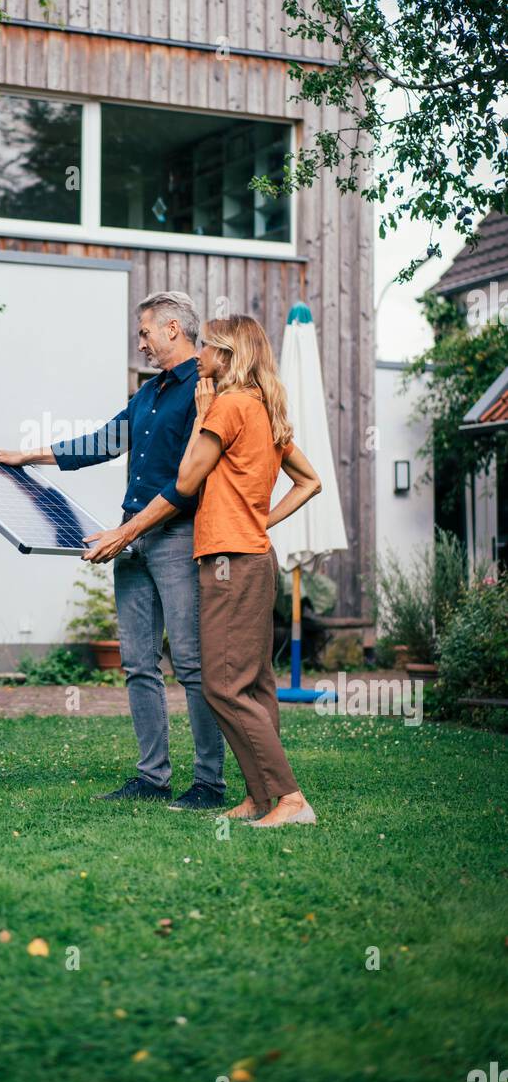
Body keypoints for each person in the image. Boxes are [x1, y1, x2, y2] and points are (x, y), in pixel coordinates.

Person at [0, 291, 226, 810]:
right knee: (138, 663)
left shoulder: (205, 393)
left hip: (176, 536)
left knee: (190, 663)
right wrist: (28, 456)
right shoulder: (148, 394)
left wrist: (128, 533)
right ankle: (152, 776)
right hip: (131, 538)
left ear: (172, 329)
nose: (139, 342)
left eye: (144, 332)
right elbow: (104, 441)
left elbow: (190, 484)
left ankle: (210, 783)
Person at [176, 314, 322, 828]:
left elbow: (188, 479)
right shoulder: (263, 407)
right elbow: (309, 481)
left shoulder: (230, 405)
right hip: (254, 556)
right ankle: (262, 796)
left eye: (207, 348)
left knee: (222, 684)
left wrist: (201, 415)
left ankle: (289, 798)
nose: (198, 356)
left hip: (229, 560)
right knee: (254, 684)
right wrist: (264, 517)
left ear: (228, 356)